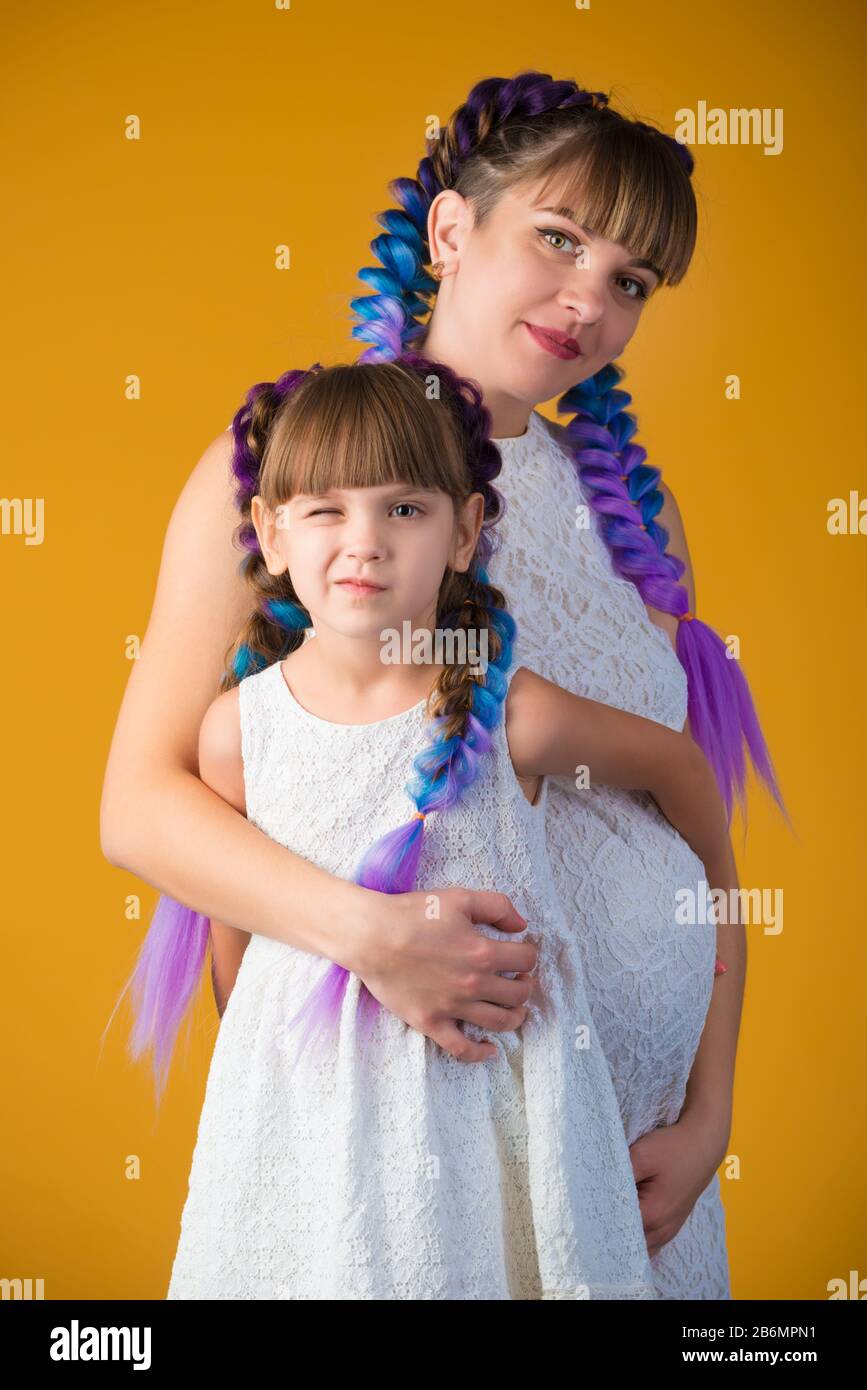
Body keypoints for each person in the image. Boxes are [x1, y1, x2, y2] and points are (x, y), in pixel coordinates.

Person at [100, 71, 784, 1298]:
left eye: (631, 279)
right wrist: (374, 938)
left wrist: (710, 1110)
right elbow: (141, 804)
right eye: (559, 238)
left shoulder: (635, 510)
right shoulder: (298, 471)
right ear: (453, 232)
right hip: (432, 1141)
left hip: (633, 1161)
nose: (589, 299)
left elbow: (693, 835)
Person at [161, 355, 734, 1300]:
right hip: (321, 1147)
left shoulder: (515, 715)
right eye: (325, 511)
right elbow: (243, 957)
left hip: (503, 1133)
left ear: (466, 530)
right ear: (268, 533)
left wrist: (712, 904)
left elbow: (684, 773)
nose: (365, 543)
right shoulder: (237, 735)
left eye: (405, 509)